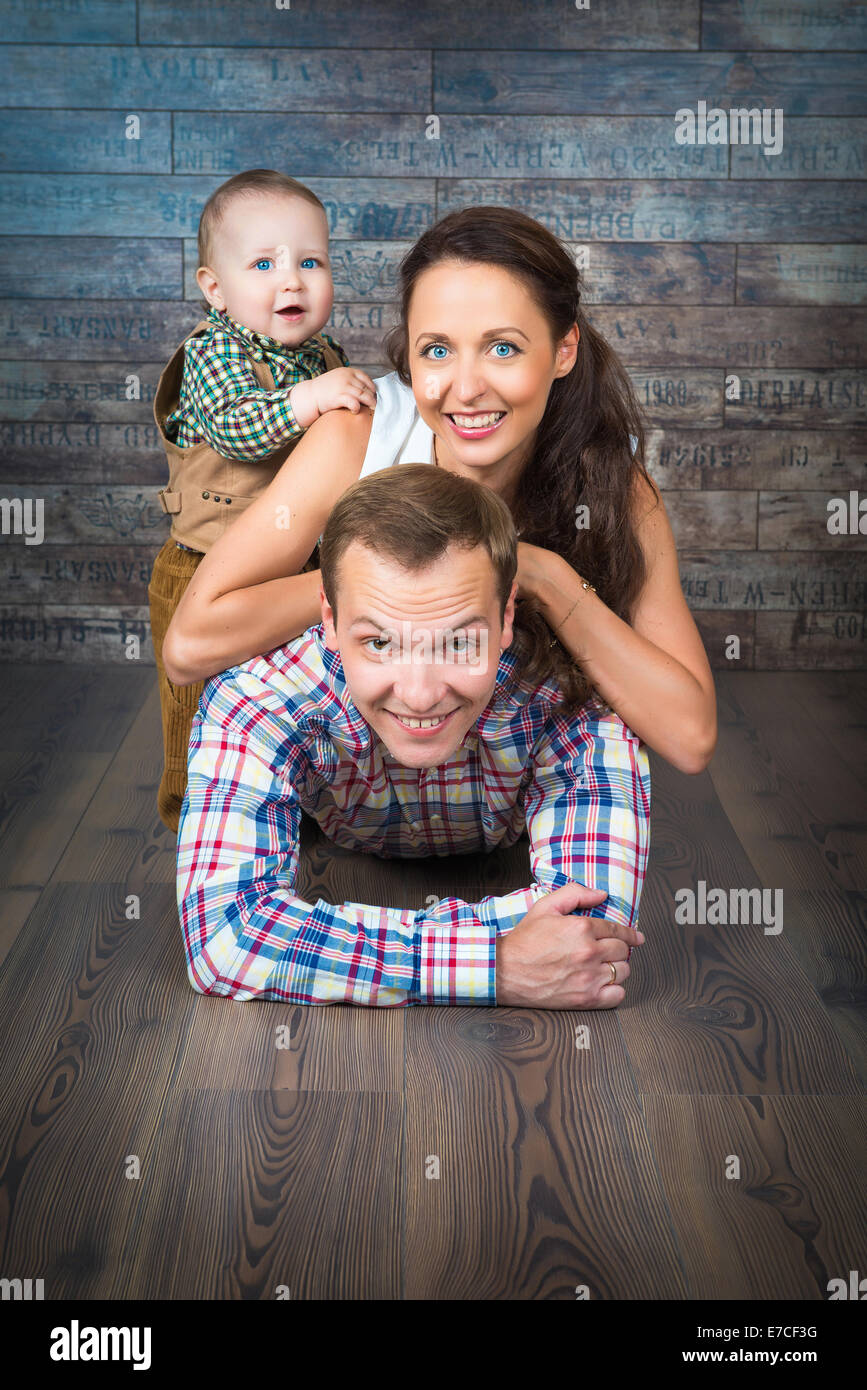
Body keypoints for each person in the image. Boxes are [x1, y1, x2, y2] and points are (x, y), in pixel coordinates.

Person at [162, 204, 717, 789]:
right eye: (437, 350)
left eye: (502, 348)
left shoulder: (612, 484)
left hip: (508, 808)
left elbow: (691, 735)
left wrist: (540, 576)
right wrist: (366, 584)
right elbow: (189, 643)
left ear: (563, 349)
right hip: (358, 793)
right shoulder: (358, 434)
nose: (467, 388)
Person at [177, 465, 649, 1008]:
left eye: (457, 643)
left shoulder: (570, 695)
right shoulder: (259, 697)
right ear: (328, 619)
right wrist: (496, 965)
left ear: (506, 617)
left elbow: (589, 934)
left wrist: (310, 937)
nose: (420, 695)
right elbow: (226, 936)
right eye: (379, 643)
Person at [148, 168, 377, 831]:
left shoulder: (322, 355)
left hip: (297, 568)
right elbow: (236, 426)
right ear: (214, 289)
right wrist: (311, 401)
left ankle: (290, 812)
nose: (292, 280)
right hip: (203, 568)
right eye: (264, 264)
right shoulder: (214, 352)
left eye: (311, 261)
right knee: (196, 714)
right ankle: (201, 828)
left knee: (294, 702)